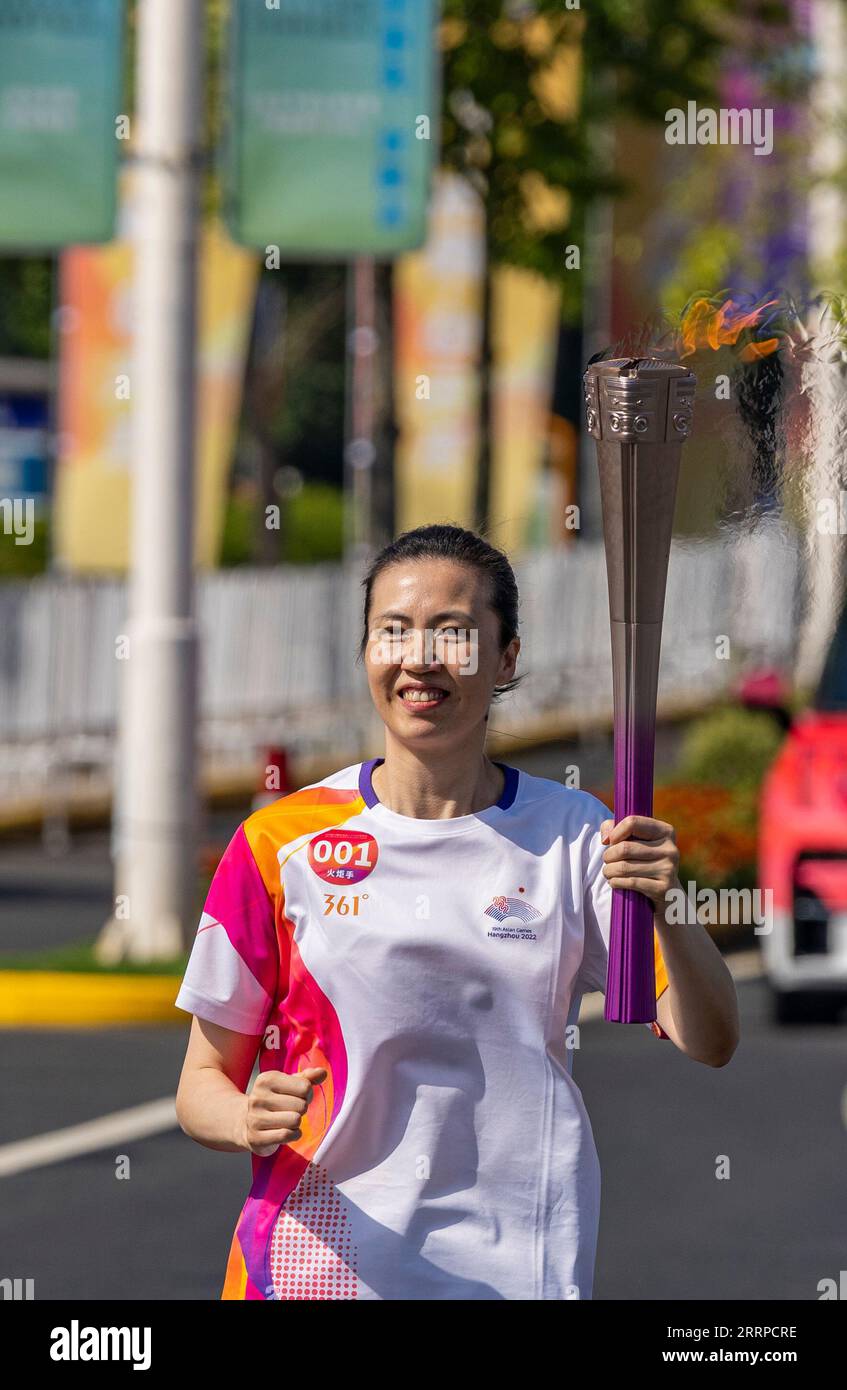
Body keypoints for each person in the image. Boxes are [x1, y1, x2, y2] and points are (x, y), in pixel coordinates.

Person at [174, 523, 739, 1301]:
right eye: (392, 631)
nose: (418, 659)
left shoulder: (575, 836)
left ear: (506, 658)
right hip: (317, 1274)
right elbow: (201, 1080)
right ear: (367, 651)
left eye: (454, 633)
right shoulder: (280, 842)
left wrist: (669, 907)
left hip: (515, 1275)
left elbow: (708, 1039)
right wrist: (243, 1117)